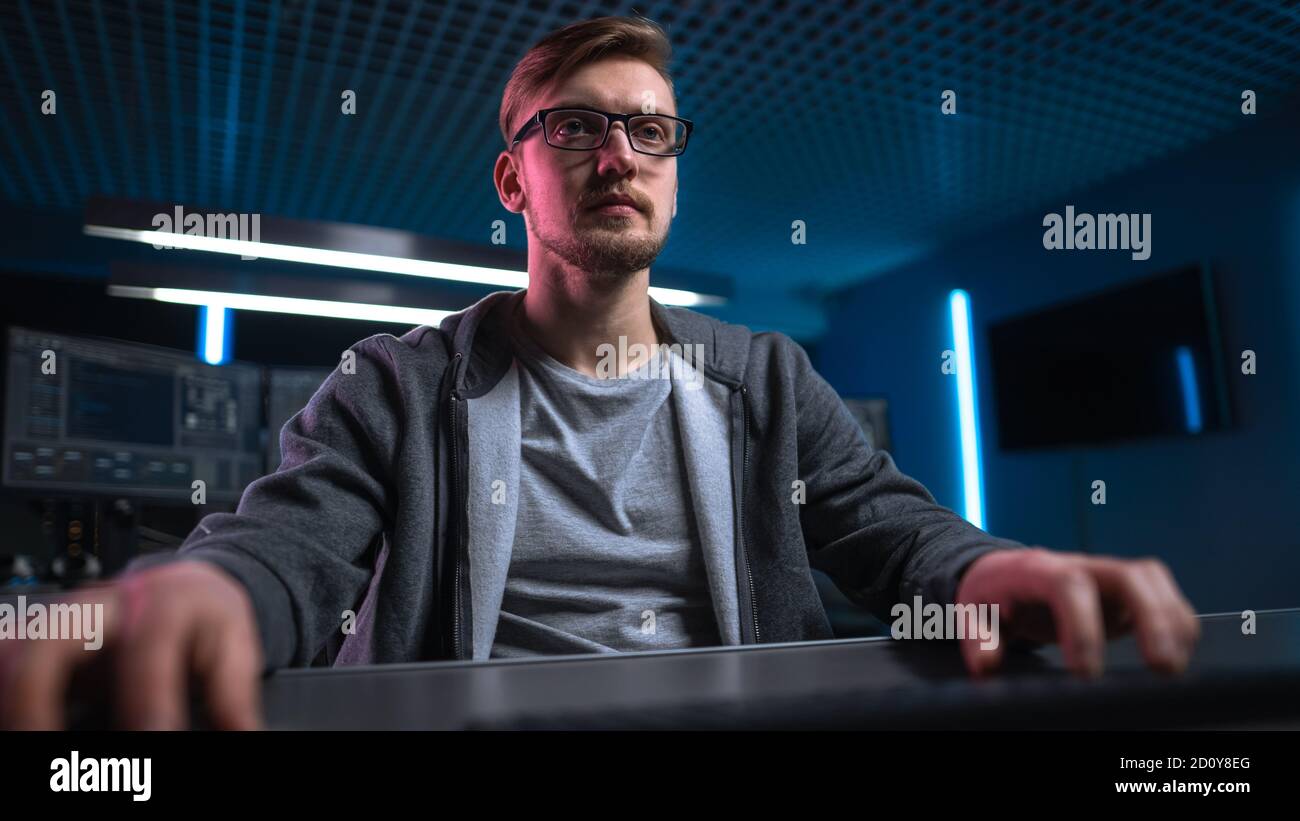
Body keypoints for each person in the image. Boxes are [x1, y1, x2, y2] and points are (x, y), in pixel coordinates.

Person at [0, 16, 1198, 730]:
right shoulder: (395, 384)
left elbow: (894, 535)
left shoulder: (768, 381)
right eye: (574, 125)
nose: (617, 152)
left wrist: (992, 568)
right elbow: (288, 552)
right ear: (513, 179)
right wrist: (215, 593)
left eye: (648, 128)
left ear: (673, 164)